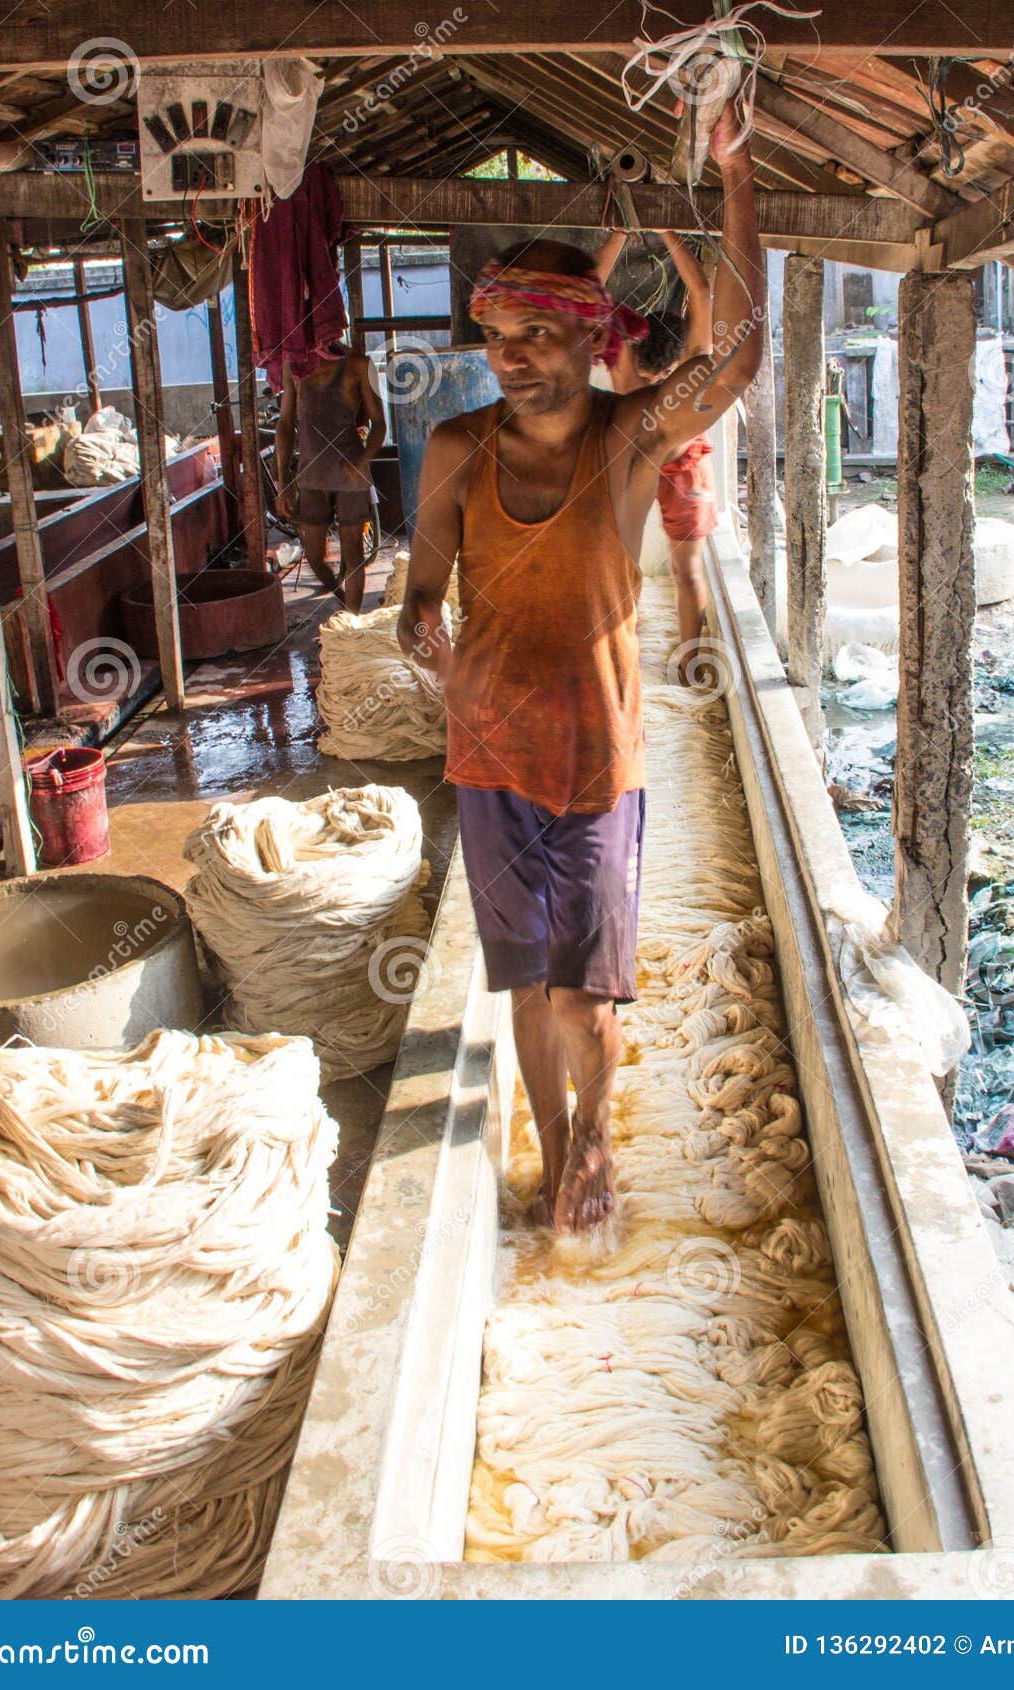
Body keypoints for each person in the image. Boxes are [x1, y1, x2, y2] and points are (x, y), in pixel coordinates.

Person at [397, 110, 763, 1235]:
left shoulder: (631, 437)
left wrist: (733, 179)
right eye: (499, 334)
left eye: (539, 335)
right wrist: (438, 657)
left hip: (601, 758)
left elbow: (739, 351)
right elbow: (421, 593)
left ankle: (596, 1131)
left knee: (586, 986)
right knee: (526, 983)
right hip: (493, 762)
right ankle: (555, 1154)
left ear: (590, 341)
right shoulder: (458, 453)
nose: (513, 354)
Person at [594, 229, 717, 682]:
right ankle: (620, 653)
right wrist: (628, 234)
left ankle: (691, 666)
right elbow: (587, 293)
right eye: (646, 378)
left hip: (686, 468)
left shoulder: (694, 359)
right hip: (632, 466)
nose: (654, 384)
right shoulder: (628, 353)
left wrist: (648, 232)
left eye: (662, 377)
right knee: (618, 566)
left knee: (687, 571)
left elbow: (702, 292)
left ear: (675, 366)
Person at [275, 342, 386, 609]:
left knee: (353, 552)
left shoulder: (360, 364)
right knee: (313, 556)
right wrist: (282, 481)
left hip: (351, 472)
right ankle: (345, 605)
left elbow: (379, 422)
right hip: (311, 472)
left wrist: (363, 459)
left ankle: (354, 619)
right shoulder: (294, 366)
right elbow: (285, 424)